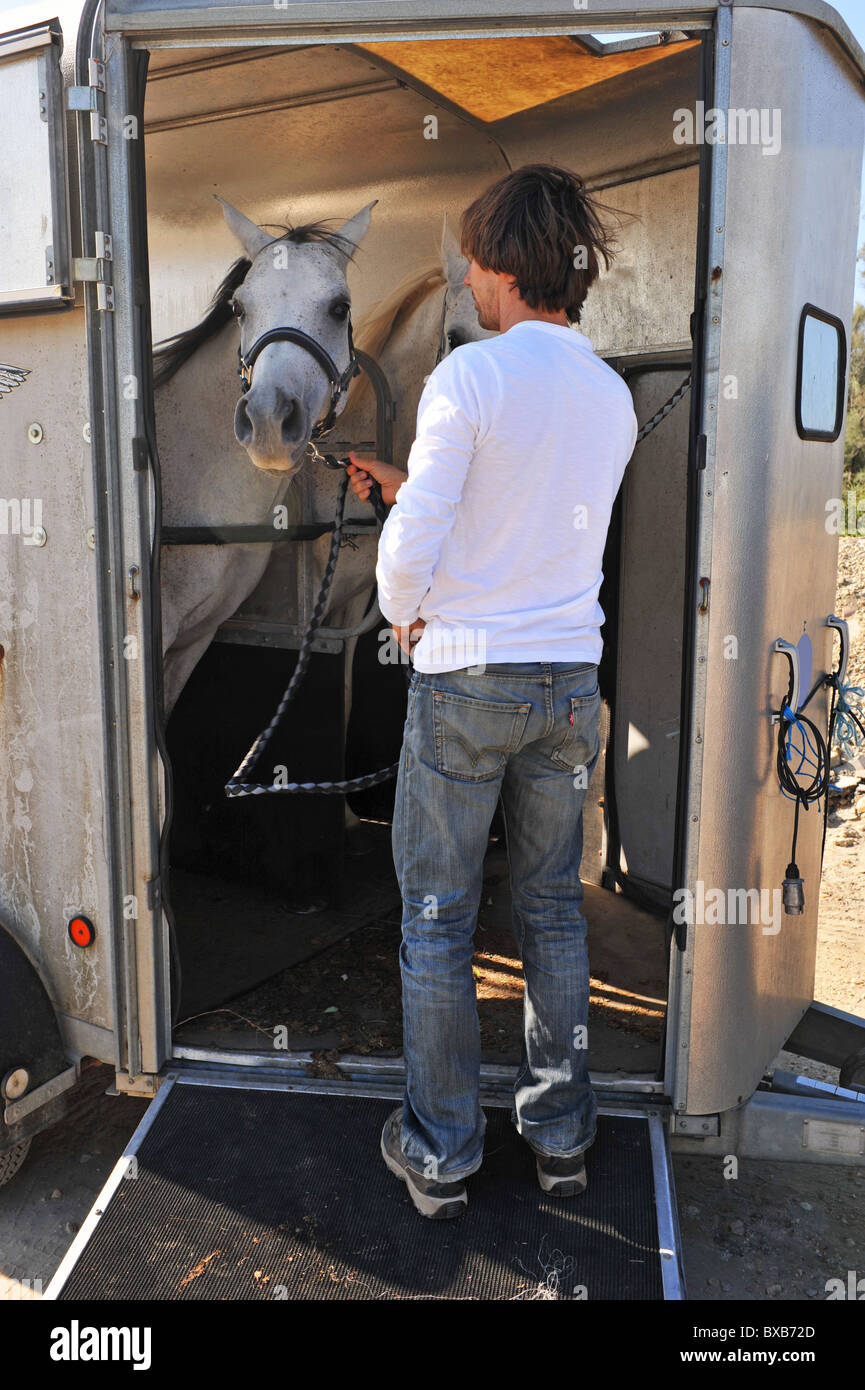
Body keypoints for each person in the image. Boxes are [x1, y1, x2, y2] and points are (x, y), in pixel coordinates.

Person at [345, 163, 638, 1220]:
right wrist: (405, 483)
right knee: (554, 910)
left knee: (436, 917)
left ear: (503, 269)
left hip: (466, 680)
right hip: (567, 686)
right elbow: (518, 512)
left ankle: (441, 1152)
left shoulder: (468, 379)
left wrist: (404, 611)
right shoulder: (606, 393)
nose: (466, 279)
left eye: (471, 259)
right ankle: (560, 1138)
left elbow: (415, 552)